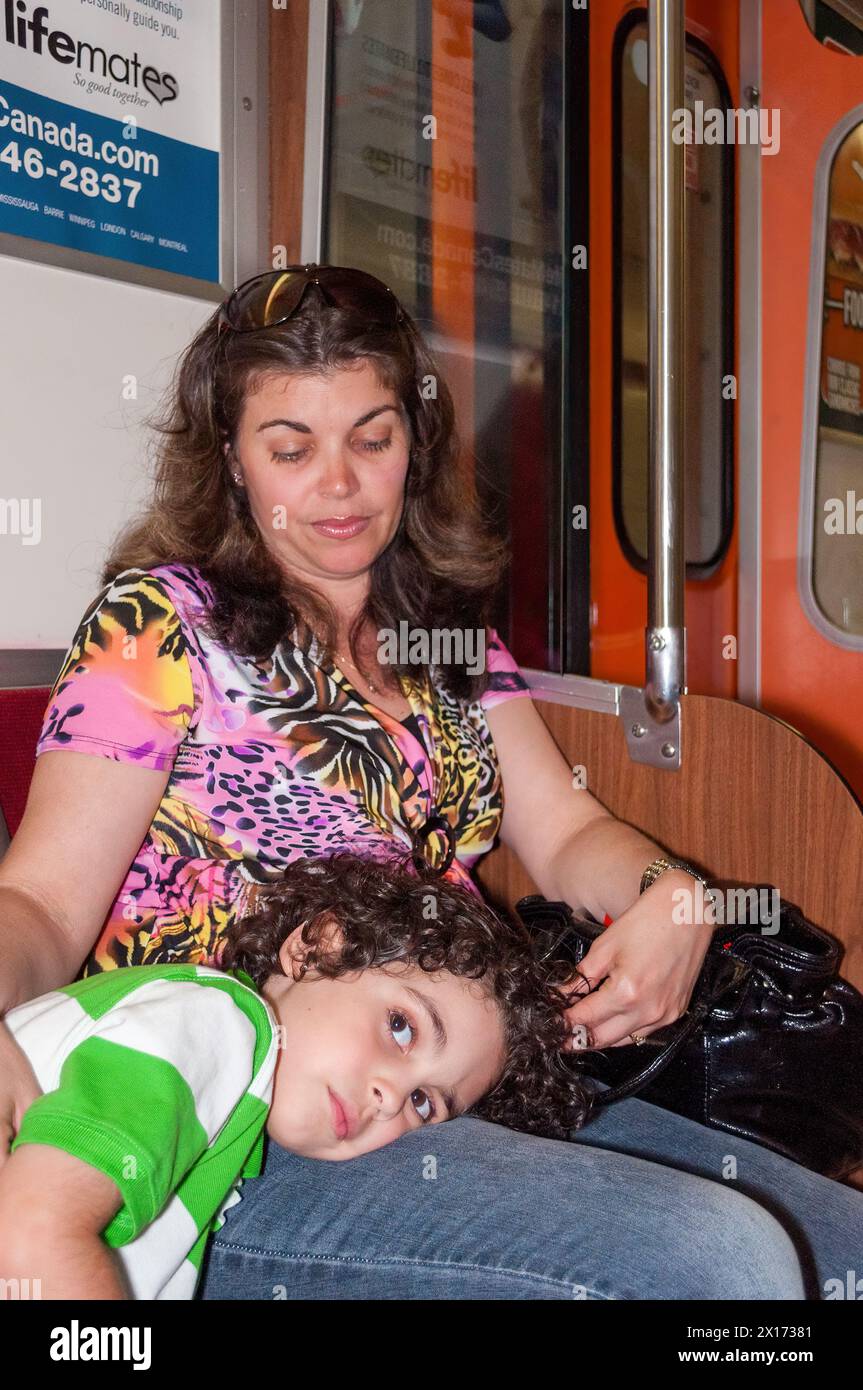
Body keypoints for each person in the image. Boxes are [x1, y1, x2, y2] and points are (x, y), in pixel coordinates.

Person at [0, 265, 859, 1301]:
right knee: (720, 1262)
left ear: (414, 443)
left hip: (454, 1082)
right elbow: (44, 903)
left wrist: (667, 890)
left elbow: (564, 826)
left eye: (371, 438)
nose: (340, 484)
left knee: (840, 1247)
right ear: (231, 462)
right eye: (291, 448)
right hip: (243, 1119)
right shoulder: (161, 626)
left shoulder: (443, 640)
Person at [0, 853, 588, 1299]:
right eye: (401, 1027)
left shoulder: (233, 1101)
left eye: (425, 1103)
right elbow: (30, 1233)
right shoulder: (213, 1027)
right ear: (316, 948)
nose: (389, 1098)